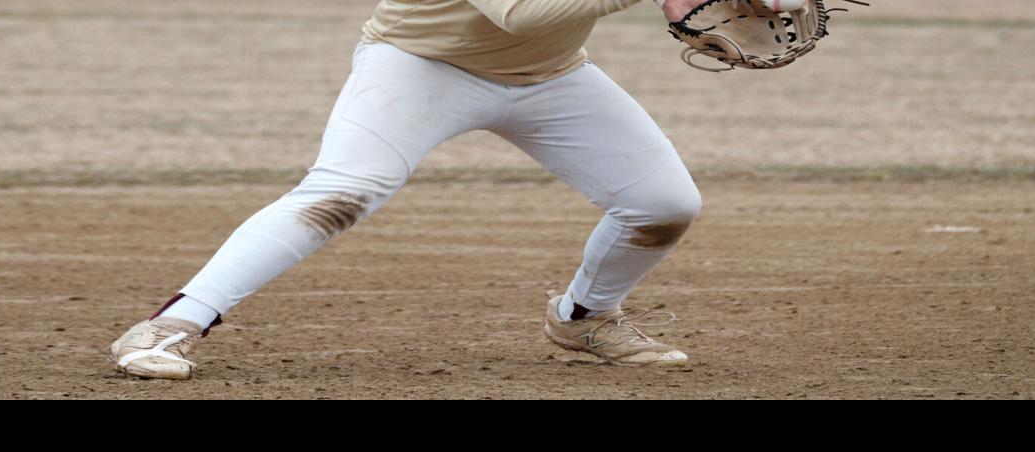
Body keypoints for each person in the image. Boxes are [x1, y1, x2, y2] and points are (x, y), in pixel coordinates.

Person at [110, 0, 711, 380]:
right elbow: (521, 14)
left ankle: (585, 317)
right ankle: (171, 326)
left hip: (552, 76)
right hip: (420, 64)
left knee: (663, 204)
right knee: (341, 194)